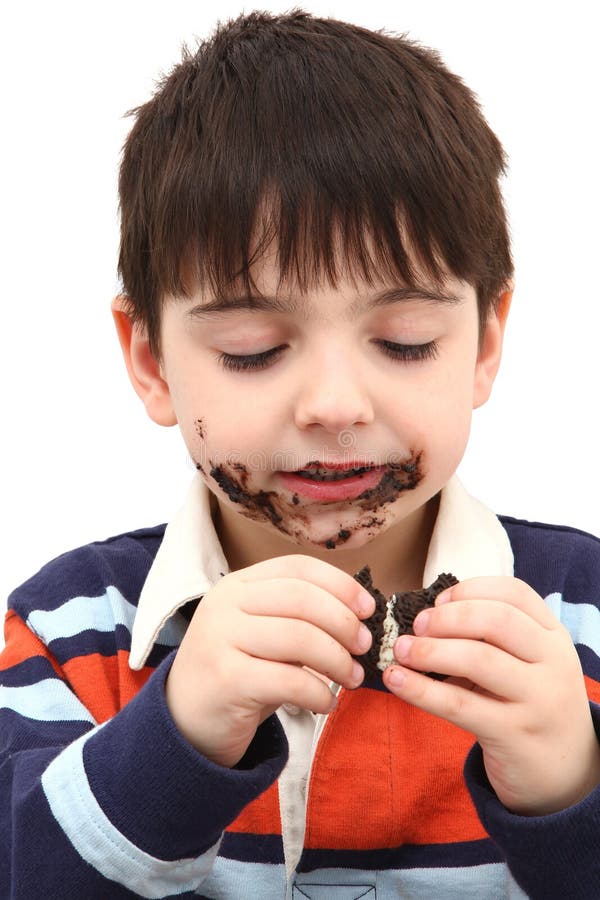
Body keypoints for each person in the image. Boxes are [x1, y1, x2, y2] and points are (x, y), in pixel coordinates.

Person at [2, 9, 599, 898]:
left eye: (402, 341)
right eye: (252, 349)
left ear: (483, 343)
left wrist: (570, 786)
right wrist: (174, 742)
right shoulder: (68, 634)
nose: (333, 406)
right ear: (151, 361)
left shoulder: (581, 623)